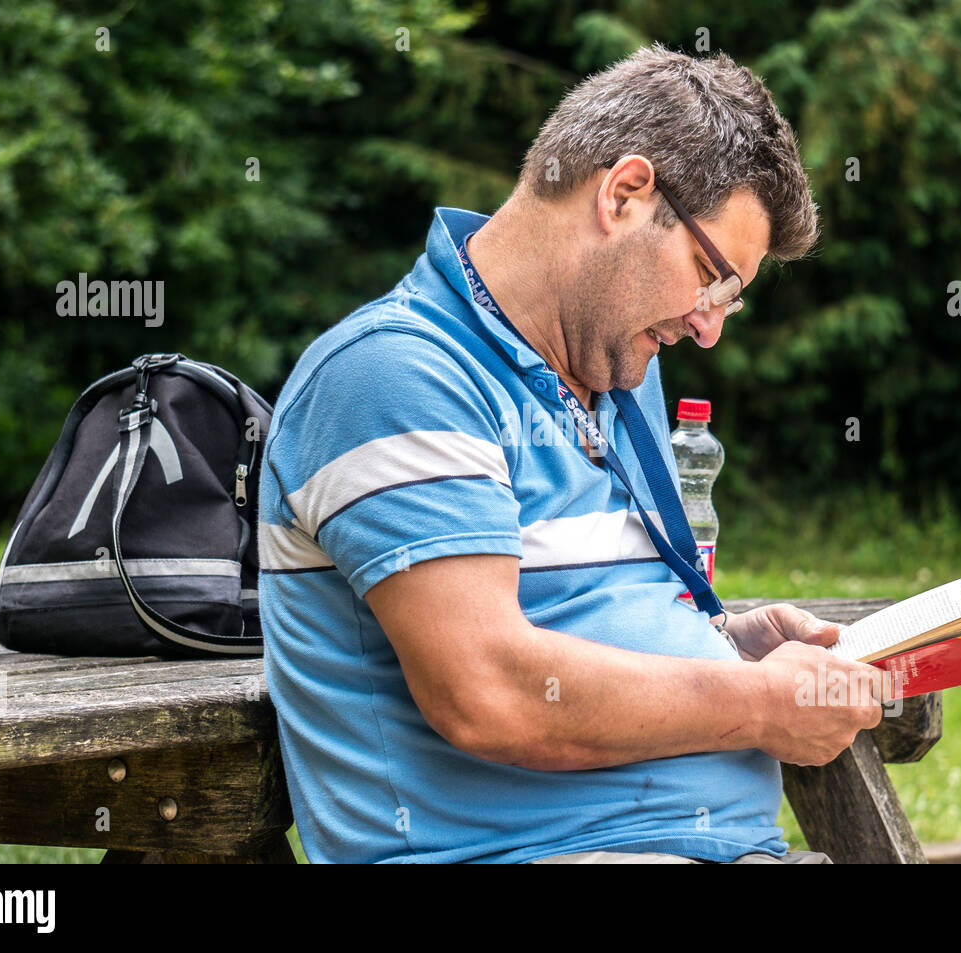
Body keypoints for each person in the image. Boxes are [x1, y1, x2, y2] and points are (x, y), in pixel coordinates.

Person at [259, 42, 885, 864]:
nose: (708, 326)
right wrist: (756, 703)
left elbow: (580, 625)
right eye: (710, 276)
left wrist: (731, 638)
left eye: (731, 298)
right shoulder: (395, 374)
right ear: (624, 194)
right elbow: (489, 692)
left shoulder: (615, 371)